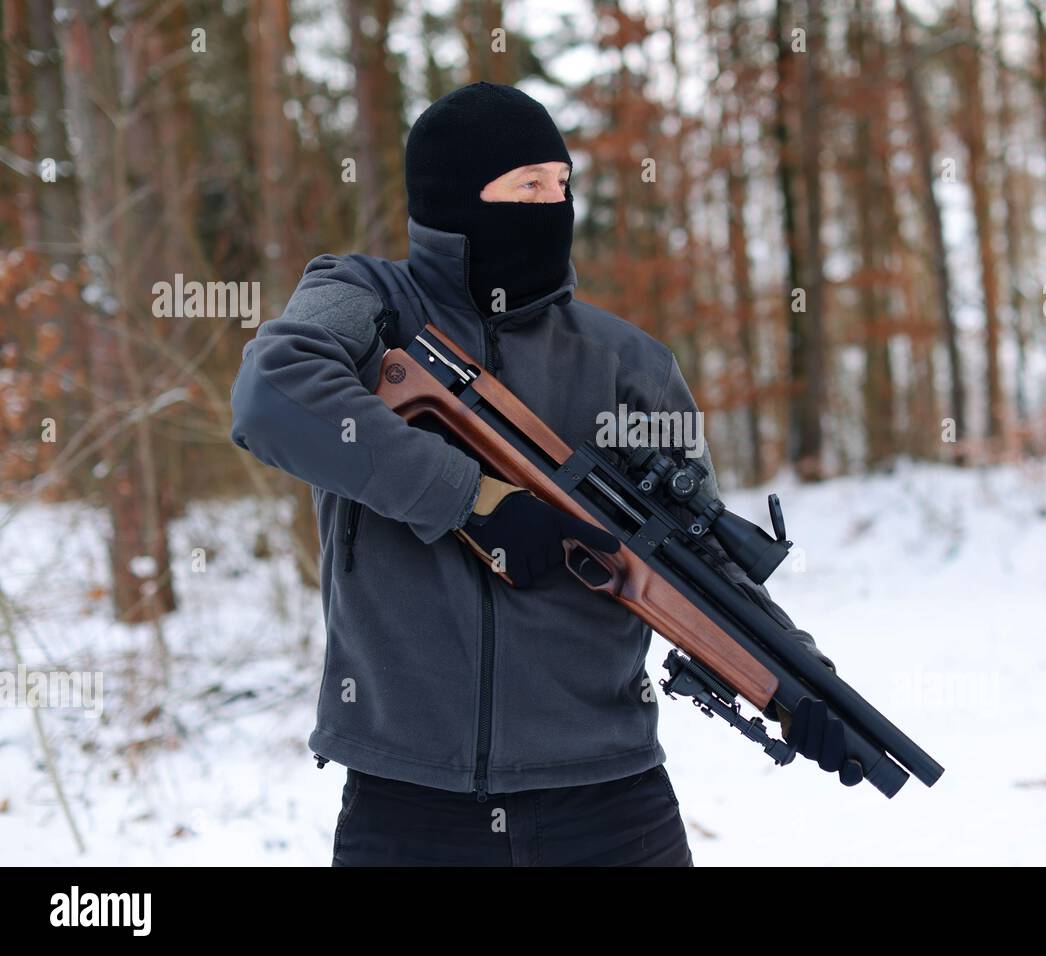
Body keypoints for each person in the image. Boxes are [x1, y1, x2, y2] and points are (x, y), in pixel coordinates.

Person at [230, 81, 848, 867]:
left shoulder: (629, 361)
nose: (553, 204)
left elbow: (700, 558)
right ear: (455, 195)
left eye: (561, 185)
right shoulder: (362, 301)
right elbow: (270, 394)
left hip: (608, 798)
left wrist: (798, 679)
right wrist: (470, 499)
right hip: (406, 798)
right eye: (527, 185)